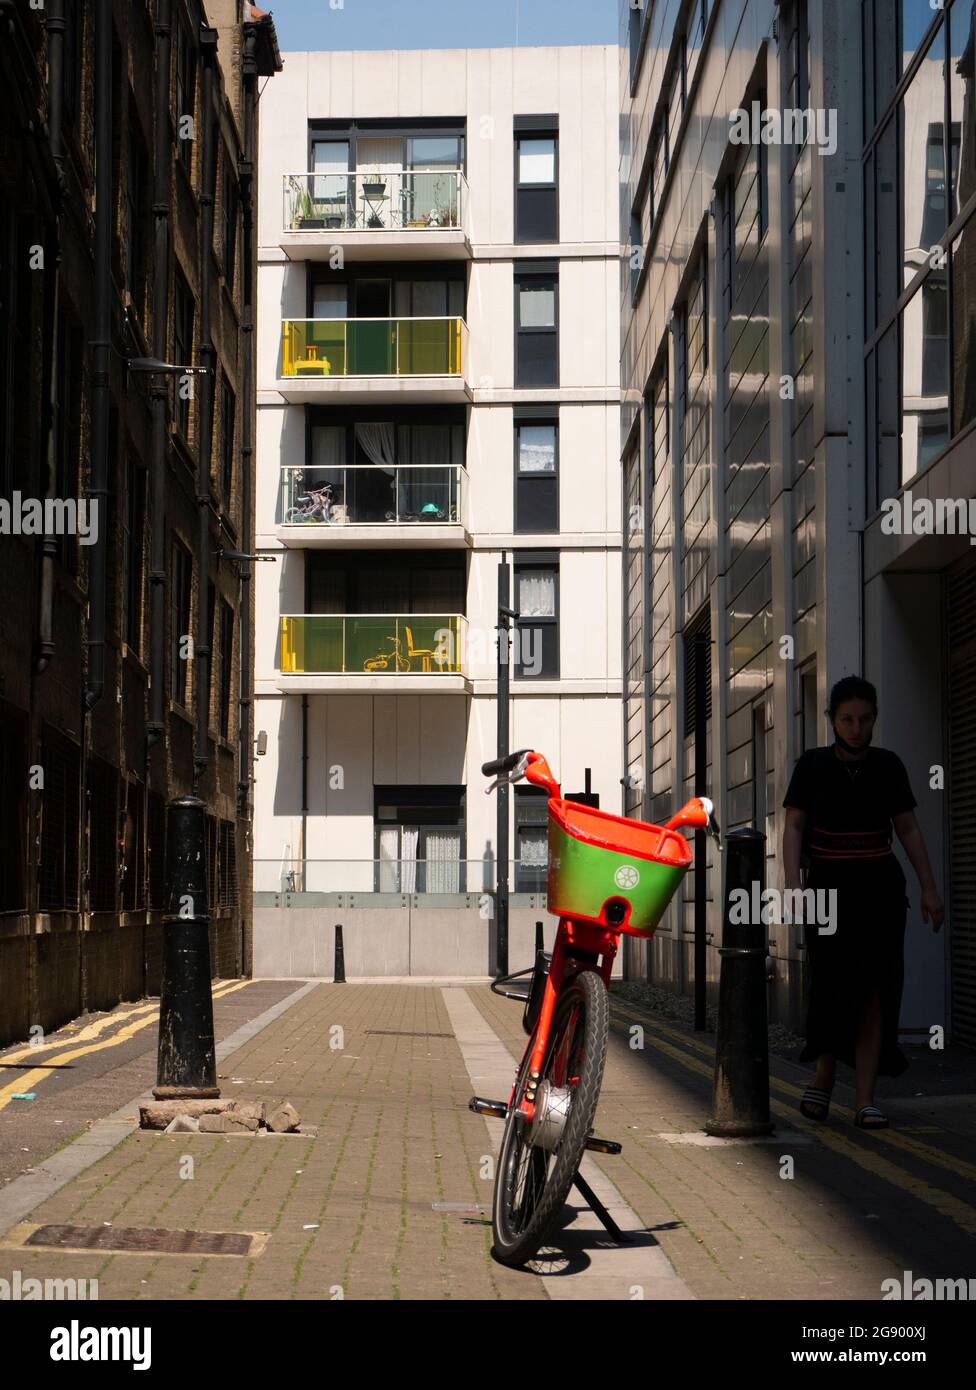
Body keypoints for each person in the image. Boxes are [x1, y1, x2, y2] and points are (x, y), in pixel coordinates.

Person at [782, 676, 944, 1130]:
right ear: (833, 719)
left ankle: (866, 1099)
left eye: (865, 719)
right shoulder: (811, 766)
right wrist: (792, 882)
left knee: (876, 991)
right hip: (828, 888)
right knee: (831, 986)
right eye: (848, 719)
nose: (856, 727)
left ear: (875, 719)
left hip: (880, 890)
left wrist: (929, 888)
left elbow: (908, 829)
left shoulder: (888, 766)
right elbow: (793, 827)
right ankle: (825, 1073)